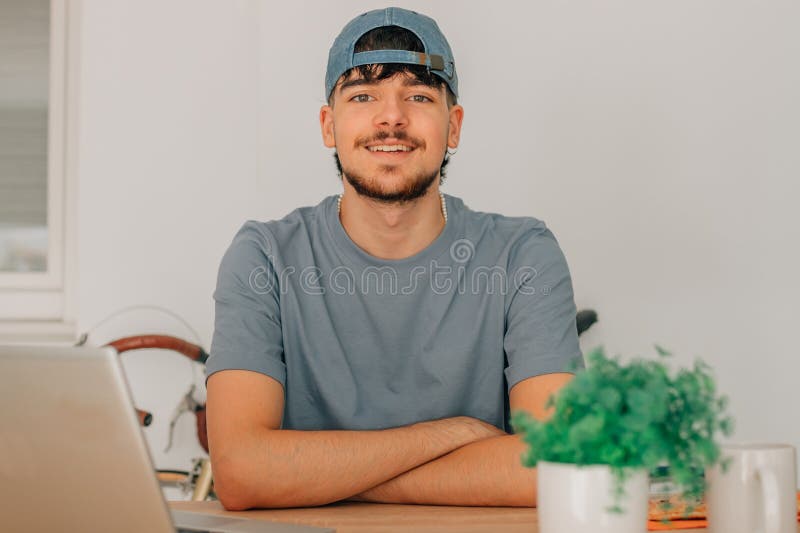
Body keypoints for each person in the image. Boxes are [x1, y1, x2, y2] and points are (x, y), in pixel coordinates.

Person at [205, 7, 583, 510]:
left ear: (453, 126)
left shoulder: (523, 256)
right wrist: (450, 435)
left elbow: (558, 466)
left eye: (419, 96)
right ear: (328, 124)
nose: (391, 118)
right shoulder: (264, 257)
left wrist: (321, 476)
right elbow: (240, 472)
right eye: (362, 95)